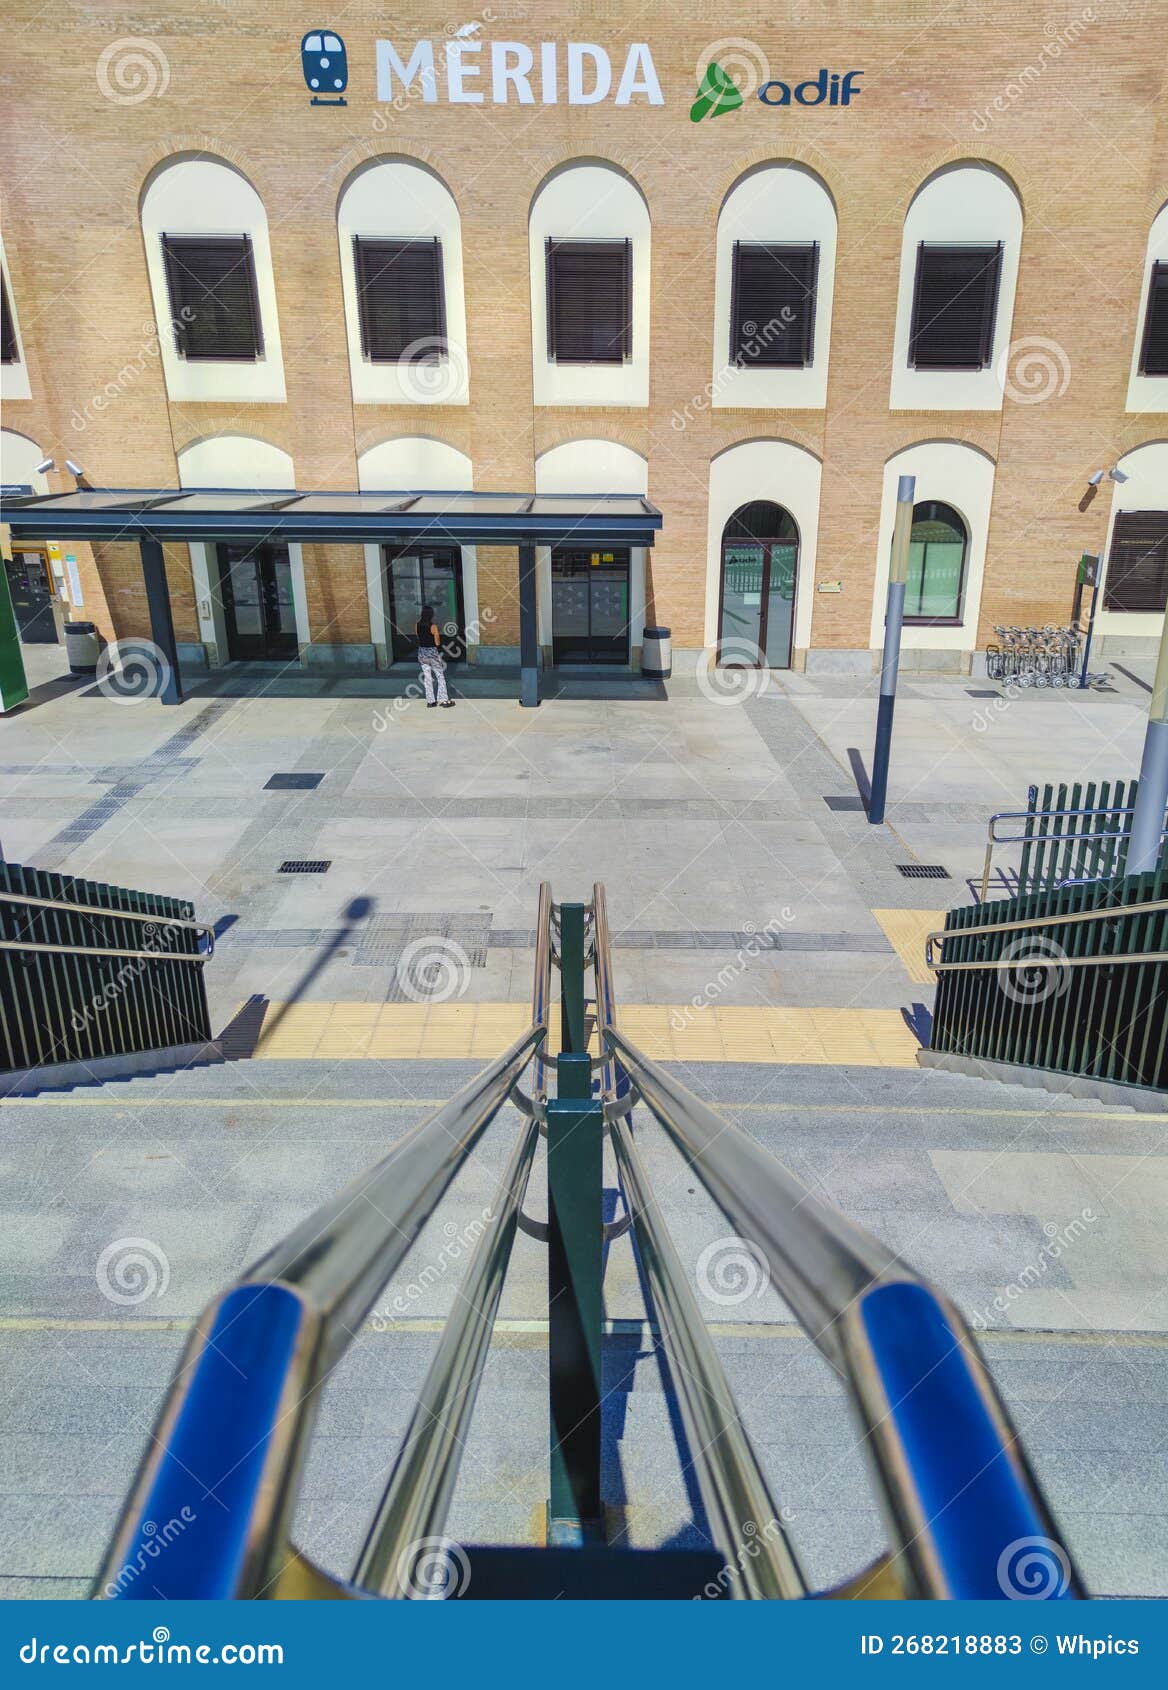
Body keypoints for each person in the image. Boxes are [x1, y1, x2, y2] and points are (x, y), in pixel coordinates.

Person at [415, 604, 454, 708]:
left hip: (422, 653)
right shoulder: (433, 626)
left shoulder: (417, 625)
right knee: (439, 676)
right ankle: (444, 700)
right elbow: (437, 643)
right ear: (431, 615)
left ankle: (431, 701)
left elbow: (418, 637)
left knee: (427, 677)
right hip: (432, 653)